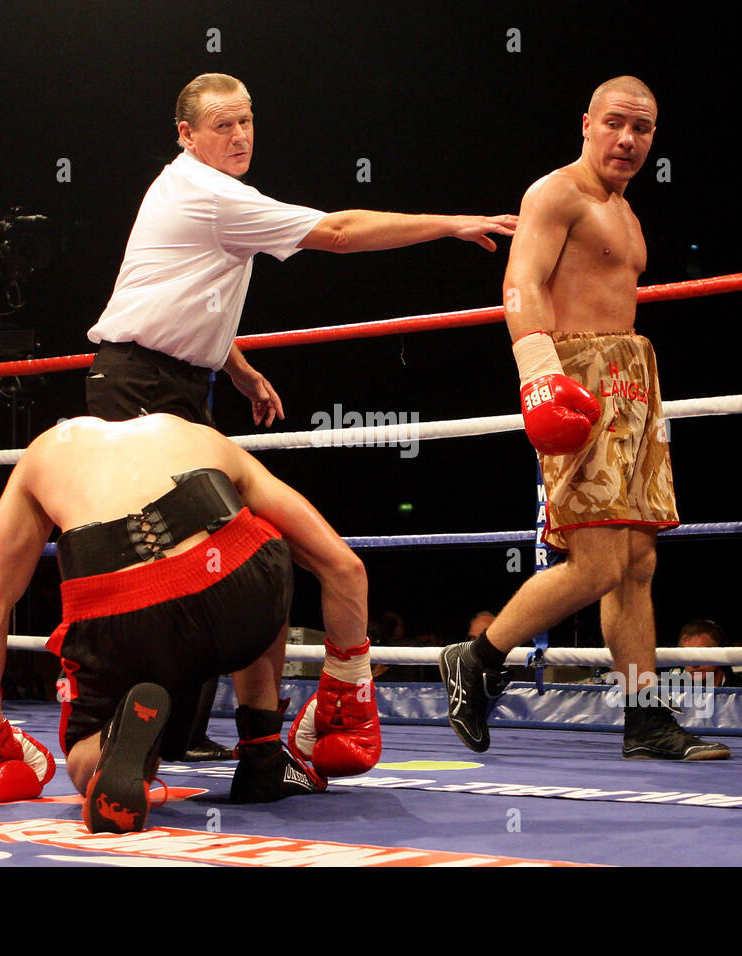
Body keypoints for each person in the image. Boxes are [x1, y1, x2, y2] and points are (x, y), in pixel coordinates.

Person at [86, 72, 516, 758]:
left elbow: (177, 295)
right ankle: (143, 731)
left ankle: (176, 733)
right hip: (142, 392)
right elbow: (341, 233)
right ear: (186, 134)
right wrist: (451, 224)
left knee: (206, 560)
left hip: (167, 387)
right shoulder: (213, 194)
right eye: (223, 125)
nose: (240, 136)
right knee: (203, 560)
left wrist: (241, 368)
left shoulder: (190, 189)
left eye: (247, 121)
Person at [438, 76, 730, 761]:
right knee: (597, 562)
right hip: (579, 382)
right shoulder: (555, 192)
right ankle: (477, 658)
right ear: (587, 124)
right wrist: (540, 378)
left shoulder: (625, 214)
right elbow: (521, 283)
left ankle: (645, 720)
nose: (629, 140)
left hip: (632, 384)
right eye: (616, 124)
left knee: (636, 562)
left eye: (644, 129)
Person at [0, 414, 381, 834]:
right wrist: (349, 689)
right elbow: (345, 568)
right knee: (262, 539)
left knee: (84, 760)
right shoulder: (202, 437)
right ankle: (263, 754)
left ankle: (110, 748)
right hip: (243, 599)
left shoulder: (44, 452)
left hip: (126, 619)